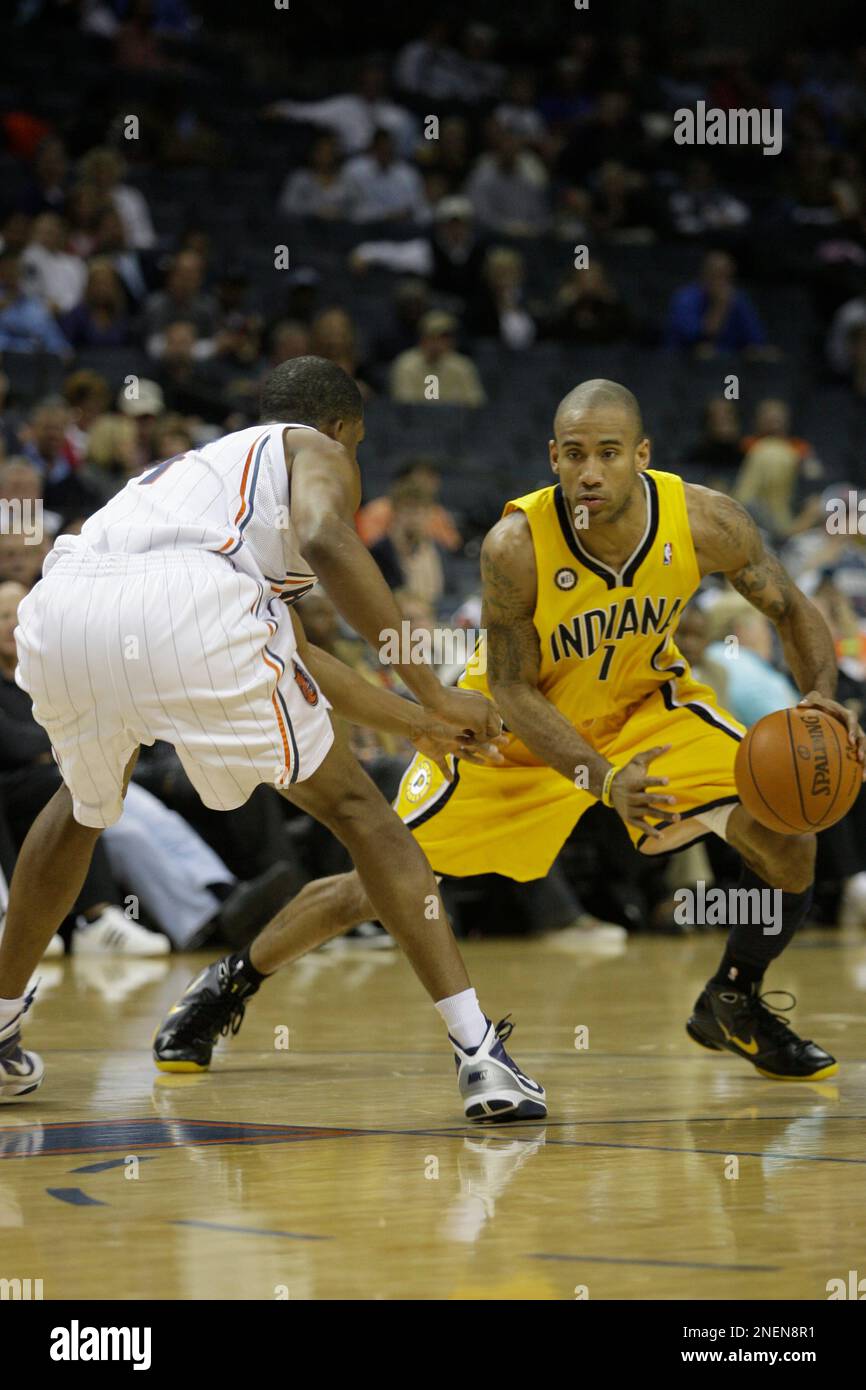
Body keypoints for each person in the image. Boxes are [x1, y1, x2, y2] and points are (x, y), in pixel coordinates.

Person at [167, 378, 866, 1087]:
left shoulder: (707, 520)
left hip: (646, 711)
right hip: (513, 737)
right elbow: (510, 688)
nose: (589, 471)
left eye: (609, 453)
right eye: (574, 454)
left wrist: (818, 696)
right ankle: (230, 983)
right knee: (381, 882)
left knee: (788, 837)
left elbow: (792, 606)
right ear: (553, 458)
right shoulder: (516, 544)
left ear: (642, 455)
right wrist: (601, 780)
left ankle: (734, 999)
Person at [0, 355, 545, 1123]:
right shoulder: (313, 449)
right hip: (191, 605)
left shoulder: (195, 478)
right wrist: (429, 684)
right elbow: (327, 538)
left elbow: (296, 656)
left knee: (83, 803)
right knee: (363, 815)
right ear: (343, 428)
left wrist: (421, 722)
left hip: (64, 606)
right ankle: (480, 1055)